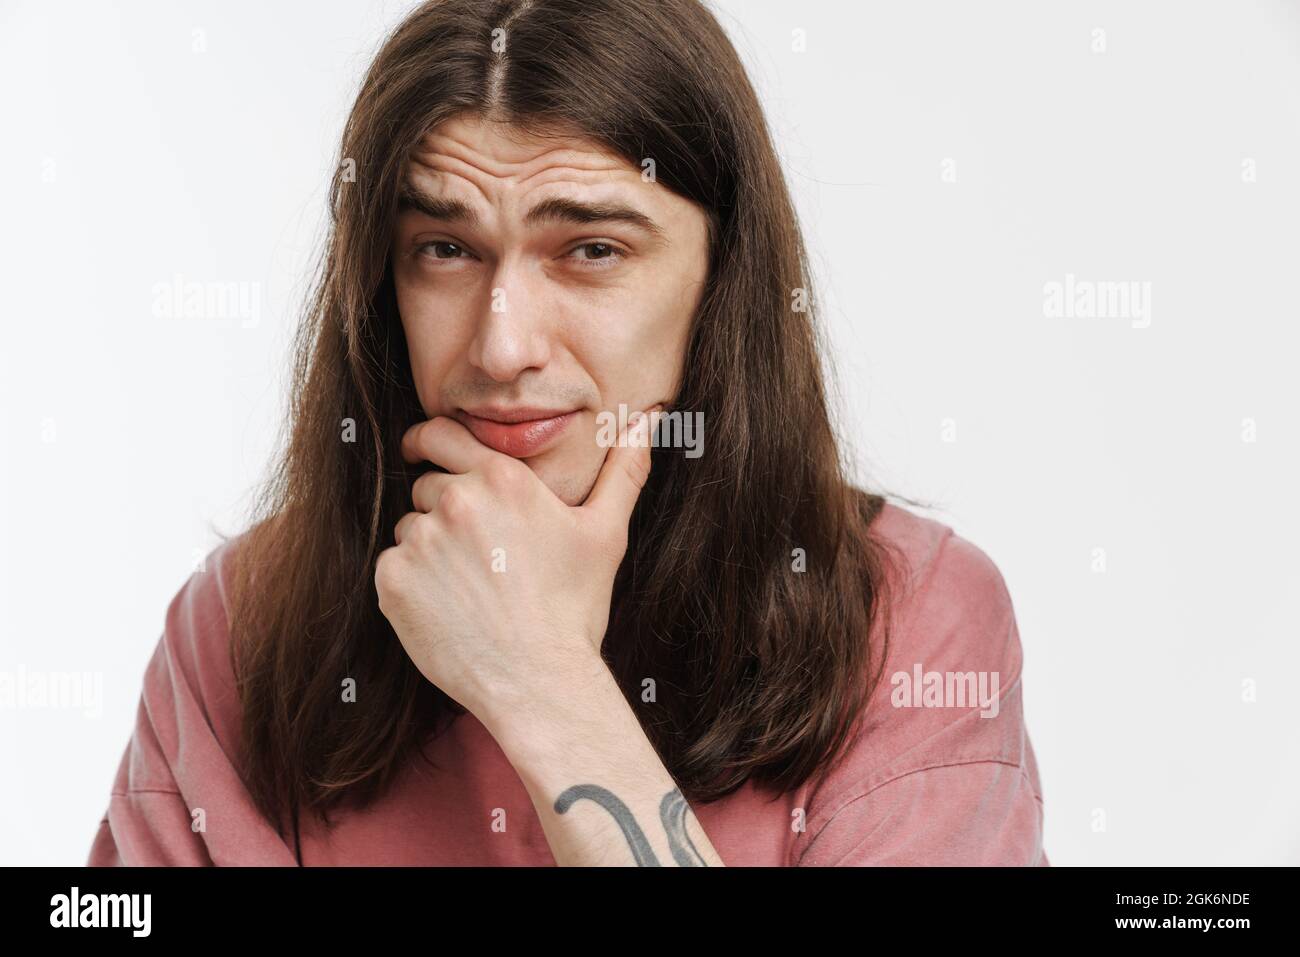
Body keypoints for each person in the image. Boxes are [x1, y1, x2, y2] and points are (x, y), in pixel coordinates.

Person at [88, 0, 1046, 866]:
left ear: (722, 286)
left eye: (591, 250)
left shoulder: (915, 621)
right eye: (446, 249)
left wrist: (542, 681)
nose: (502, 346)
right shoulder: (240, 626)